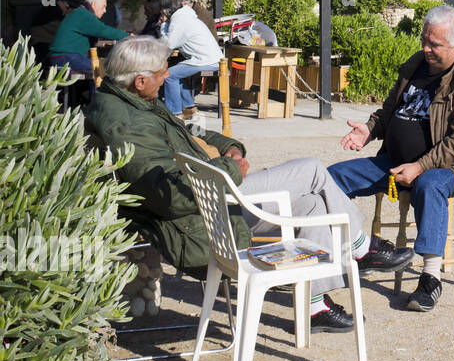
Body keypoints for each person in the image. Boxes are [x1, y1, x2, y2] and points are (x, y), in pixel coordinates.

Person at [84, 37, 413, 332]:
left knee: (312, 205)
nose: (167, 75)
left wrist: (226, 144)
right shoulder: (128, 124)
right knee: (312, 170)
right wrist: (230, 167)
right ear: (140, 80)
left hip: (207, 200)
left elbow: (184, 135)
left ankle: (313, 307)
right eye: (161, 72)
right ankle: (360, 247)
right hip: (202, 214)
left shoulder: (131, 100)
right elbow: (168, 195)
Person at [329, 5, 454, 314]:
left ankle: (430, 278)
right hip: (396, 160)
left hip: (453, 168)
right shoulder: (416, 64)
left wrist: (420, 166)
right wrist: (369, 129)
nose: (426, 48)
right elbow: (392, 107)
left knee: (429, 184)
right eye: (424, 40)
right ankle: (333, 254)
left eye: (435, 44)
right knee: (331, 179)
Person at [160, 0, 223, 119]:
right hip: (214, 60)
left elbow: (169, 44)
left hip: (206, 61)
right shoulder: (186, 16)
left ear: (166, 11)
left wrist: (163, 25)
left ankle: (175, 114)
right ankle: (189, 107)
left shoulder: (179, 20)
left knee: (169, 75)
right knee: (175, 72)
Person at [49, 0, 129, 73]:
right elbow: (104, 30)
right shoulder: (83, 14)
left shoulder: (80, 12)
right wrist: (129, 36)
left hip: (64, 57)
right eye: (103, 6)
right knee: (105, 69)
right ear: (94, 4)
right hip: (66, 57)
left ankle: (95, 85)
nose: (105, 11)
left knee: (101, 68)